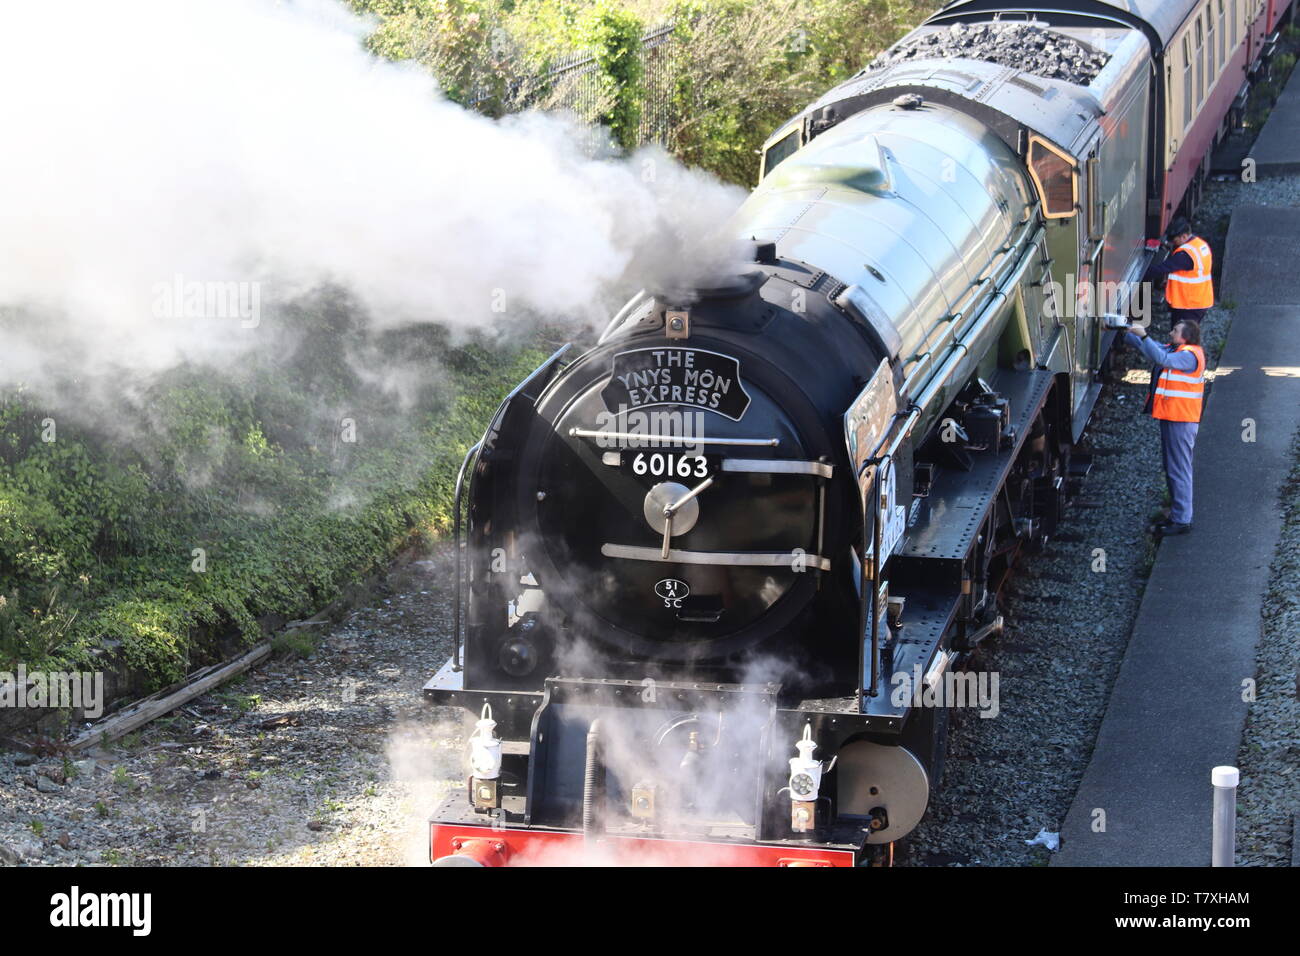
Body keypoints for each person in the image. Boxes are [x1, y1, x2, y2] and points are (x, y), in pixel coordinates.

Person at [1125, 319, 1206, 536]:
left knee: (1178, 469)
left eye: (1175, 331)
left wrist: (1143, 335)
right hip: (1174, 418)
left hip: (1181, 421)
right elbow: (1151, 349)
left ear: (1185, 336)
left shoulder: (1188, 356)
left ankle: (1181, 520)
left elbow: (1161, 358)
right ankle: (1178, 514)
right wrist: (1123, 330)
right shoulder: (1178, 349)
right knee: (1173, 468)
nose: (1171, 332)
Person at [1143, 217, 1213, 329]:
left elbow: (1160, 269)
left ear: (1184, 236)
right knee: (1186, 337)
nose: (1173, 243)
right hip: (1197, 301)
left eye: (1175, 240)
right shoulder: (1200, 245)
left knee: (1181, 338)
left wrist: (1140, 273)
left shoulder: (1185, 255)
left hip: (1188, 304)